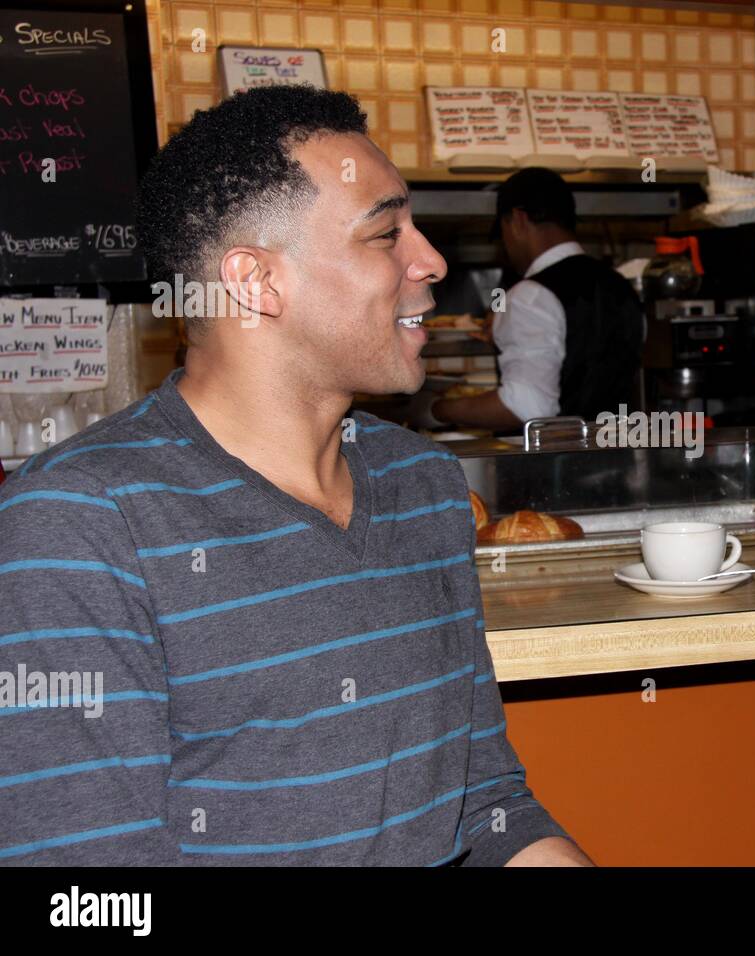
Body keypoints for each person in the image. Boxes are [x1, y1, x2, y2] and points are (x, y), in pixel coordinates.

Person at [0, 86, 591, 866]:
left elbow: (483, 803)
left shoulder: (425, 486)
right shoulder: (76, 525)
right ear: (256, 281)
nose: (432, 261)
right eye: (386, 233)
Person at [430, 167, 644, 430]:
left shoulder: (528, 296)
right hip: (621, 459)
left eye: (503, 231)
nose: (506, 245)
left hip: (557, 467)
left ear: (518, 220)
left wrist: (438, 409)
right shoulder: (623, 288)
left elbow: (525, 408)